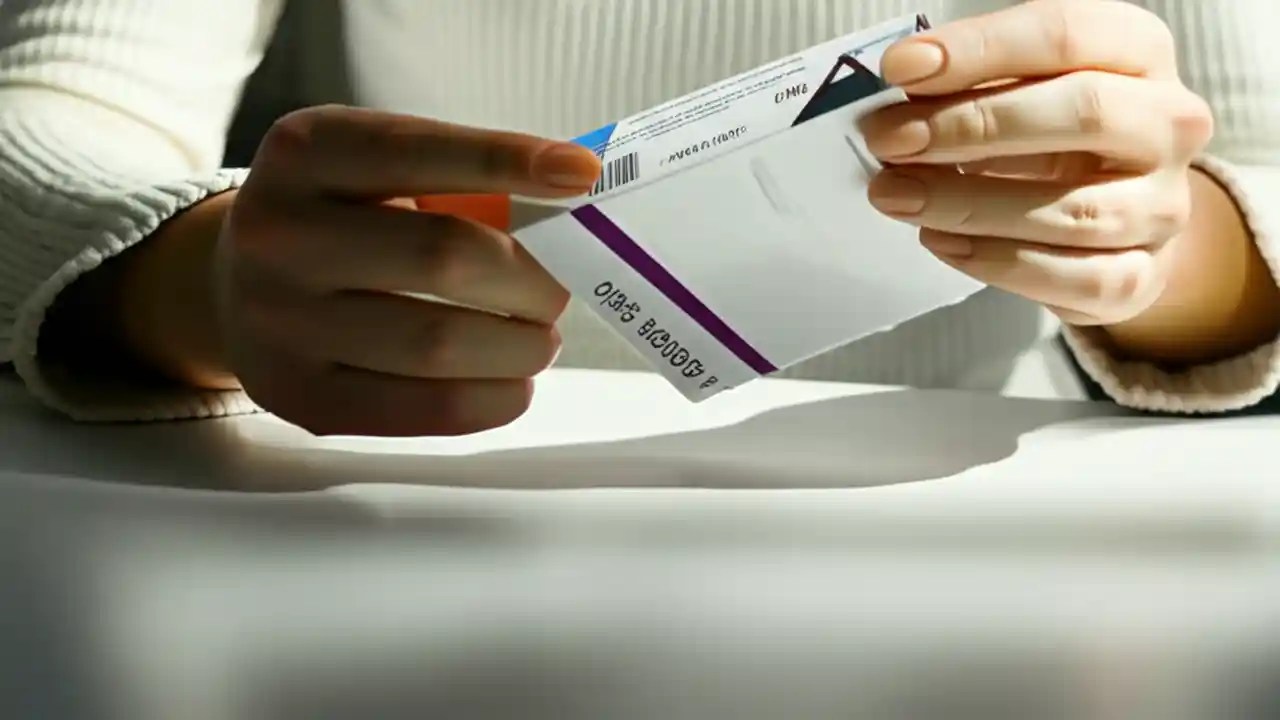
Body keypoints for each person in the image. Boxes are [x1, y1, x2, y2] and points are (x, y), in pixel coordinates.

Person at [0, 0, 1276, 437]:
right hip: (406, 547)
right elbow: (55, 107)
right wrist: (188, 280)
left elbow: (1259, 162)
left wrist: (1167, 247)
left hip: (992, 584)